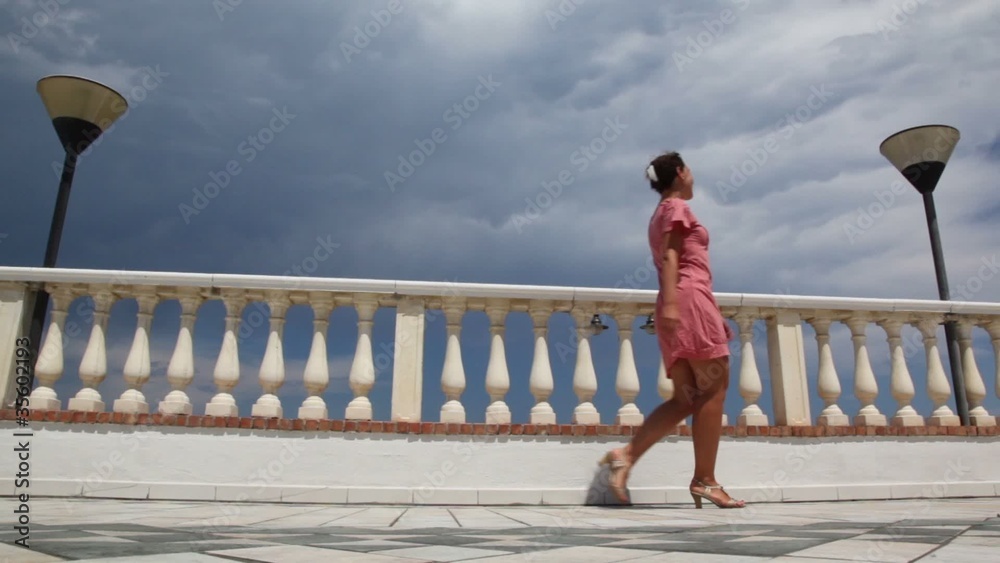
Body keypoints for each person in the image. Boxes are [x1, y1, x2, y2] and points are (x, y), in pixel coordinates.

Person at [599, 151, 745, 509]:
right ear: (679, 173)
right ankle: (706, 481)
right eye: (689, 170)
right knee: (715, 390)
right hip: (688, 299)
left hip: (674, 300)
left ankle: (626, 455)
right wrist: (677, 306)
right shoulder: (677, 208)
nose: (693, 177)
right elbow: (671, 257)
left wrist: (669, 304)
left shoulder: (658, 214)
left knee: (686, 399)